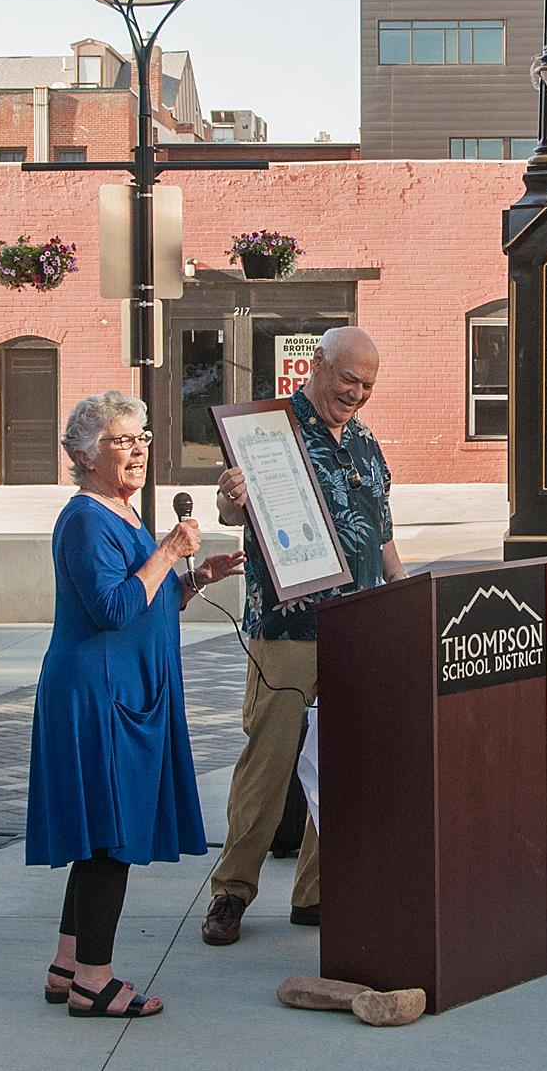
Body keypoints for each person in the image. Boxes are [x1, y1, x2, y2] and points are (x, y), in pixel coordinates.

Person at [26, 390, 243, 1019]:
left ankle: (68, 965)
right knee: (109, 838)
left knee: (101, 830)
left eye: (142, 437)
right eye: (121, 441)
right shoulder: (85, 519)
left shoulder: (120, 513)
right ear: (83, 455)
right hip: (98, 696)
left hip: (124, 689)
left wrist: (195, 578)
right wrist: (171, 551)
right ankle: (96, 981)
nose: (138, 450)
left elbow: (142, 597)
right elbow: (113, 609)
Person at [201, 325, 405, 945]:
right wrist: (231, 501)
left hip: (361, 627)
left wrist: (405, 594)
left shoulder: (367, 442)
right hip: (287, 629)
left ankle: (316, 894)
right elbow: (232, 511)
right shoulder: (266, 431)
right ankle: (231, 893)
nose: (358, 393)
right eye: (349, 379)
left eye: (368, 384)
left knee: (340, 764)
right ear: (317, 365)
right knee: (269, 762)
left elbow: (382, 535)